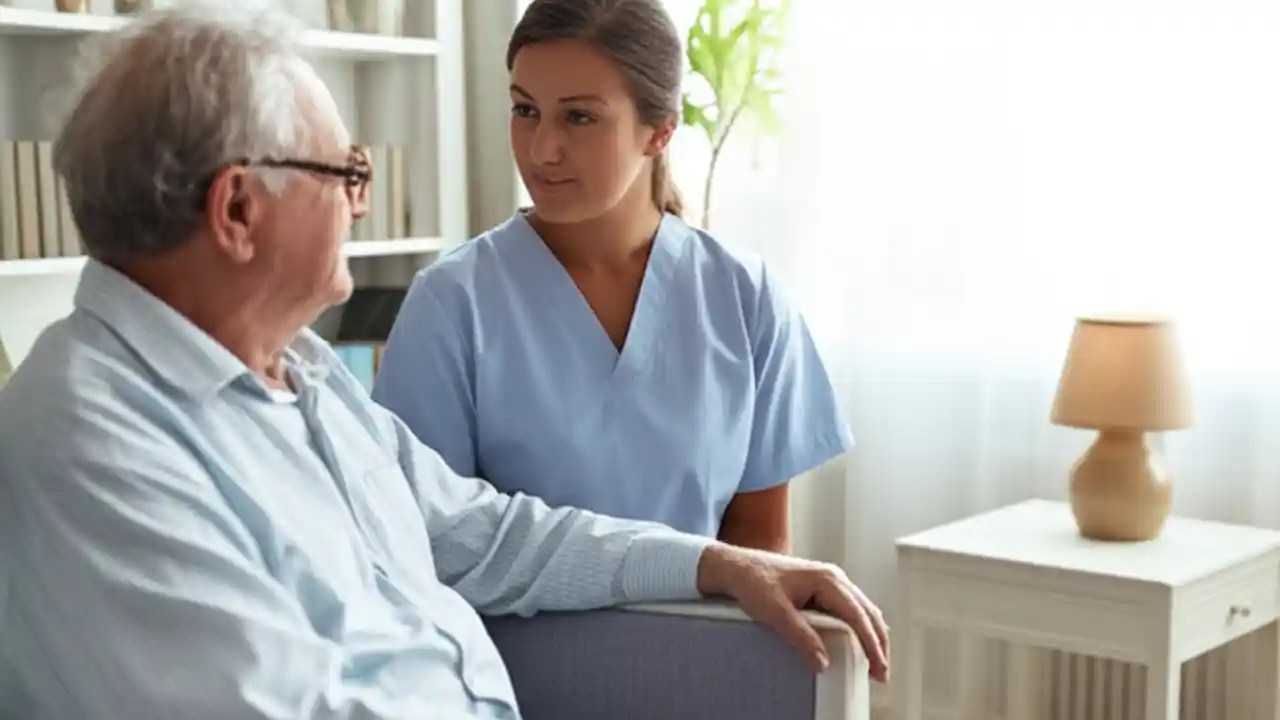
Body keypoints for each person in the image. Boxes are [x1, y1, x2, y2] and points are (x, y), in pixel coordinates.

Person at [0, 4, 887, 719]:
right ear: (239, 210)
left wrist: (712, 563)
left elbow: (487, 533)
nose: (362, 202)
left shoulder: (300, 376)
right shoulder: (91, 438)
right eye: (346, 172)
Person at [372, 0, 852, 554]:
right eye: (525, 110)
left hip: (705, 639)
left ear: (660, 132)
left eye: (579, 117)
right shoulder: (452, 303)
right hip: (501, 643)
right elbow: (424, 541)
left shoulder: (746, 298)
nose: (541, 150)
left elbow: (760, 547)